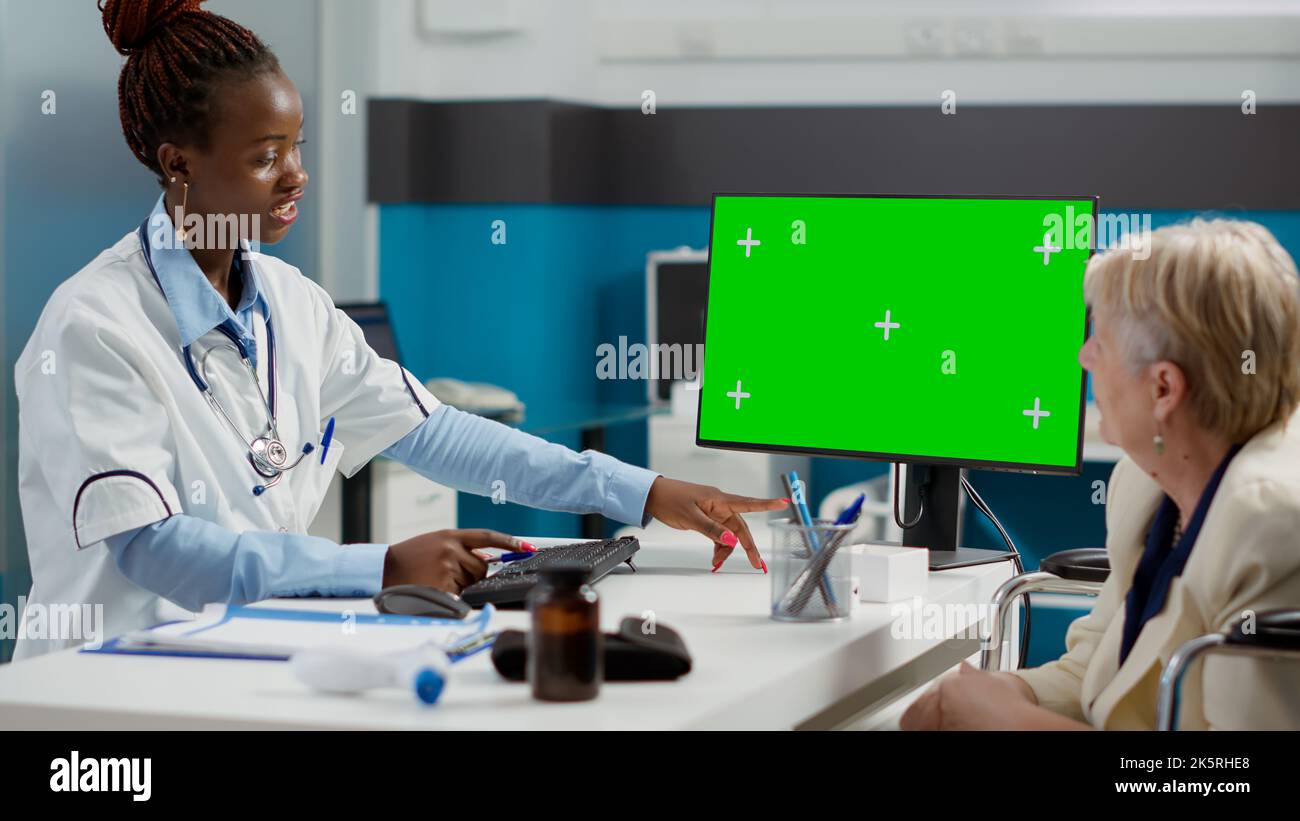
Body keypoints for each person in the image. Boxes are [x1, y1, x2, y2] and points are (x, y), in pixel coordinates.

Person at [11, 0, 783, 660]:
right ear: (178, 164)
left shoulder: (291, 304)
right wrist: (378, 565)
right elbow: (157, 550)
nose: (296, 176)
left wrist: (642, 490)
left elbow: (438, 433)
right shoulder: (94, 326)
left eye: (298, 146)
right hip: (105, 688)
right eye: (264, 156)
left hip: (239, 659)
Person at [903, 218, 1300, 730]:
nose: (1083, 356)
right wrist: (1007, 690)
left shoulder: (1270, 523)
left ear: (1163, 389)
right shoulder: (1147, 484)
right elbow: (1100, 675)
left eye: (1102, 343)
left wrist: (1013, 723)